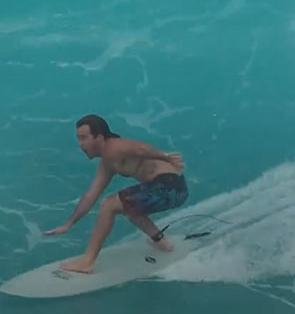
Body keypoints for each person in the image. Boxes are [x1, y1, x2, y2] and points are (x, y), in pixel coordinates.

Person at [43, 114, 188, 274]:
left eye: (84, 138)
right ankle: (162, 243)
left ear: (99, 137)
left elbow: (139, 148)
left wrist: (164, 156)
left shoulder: (114, 147)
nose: (80, 144)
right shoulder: (107, 162)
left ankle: (87, 262)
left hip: (168, 187)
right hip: (175, 191)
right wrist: (68, 224)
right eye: (78, 139)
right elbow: (91, 195)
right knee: (128, 206)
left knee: (109, 205)